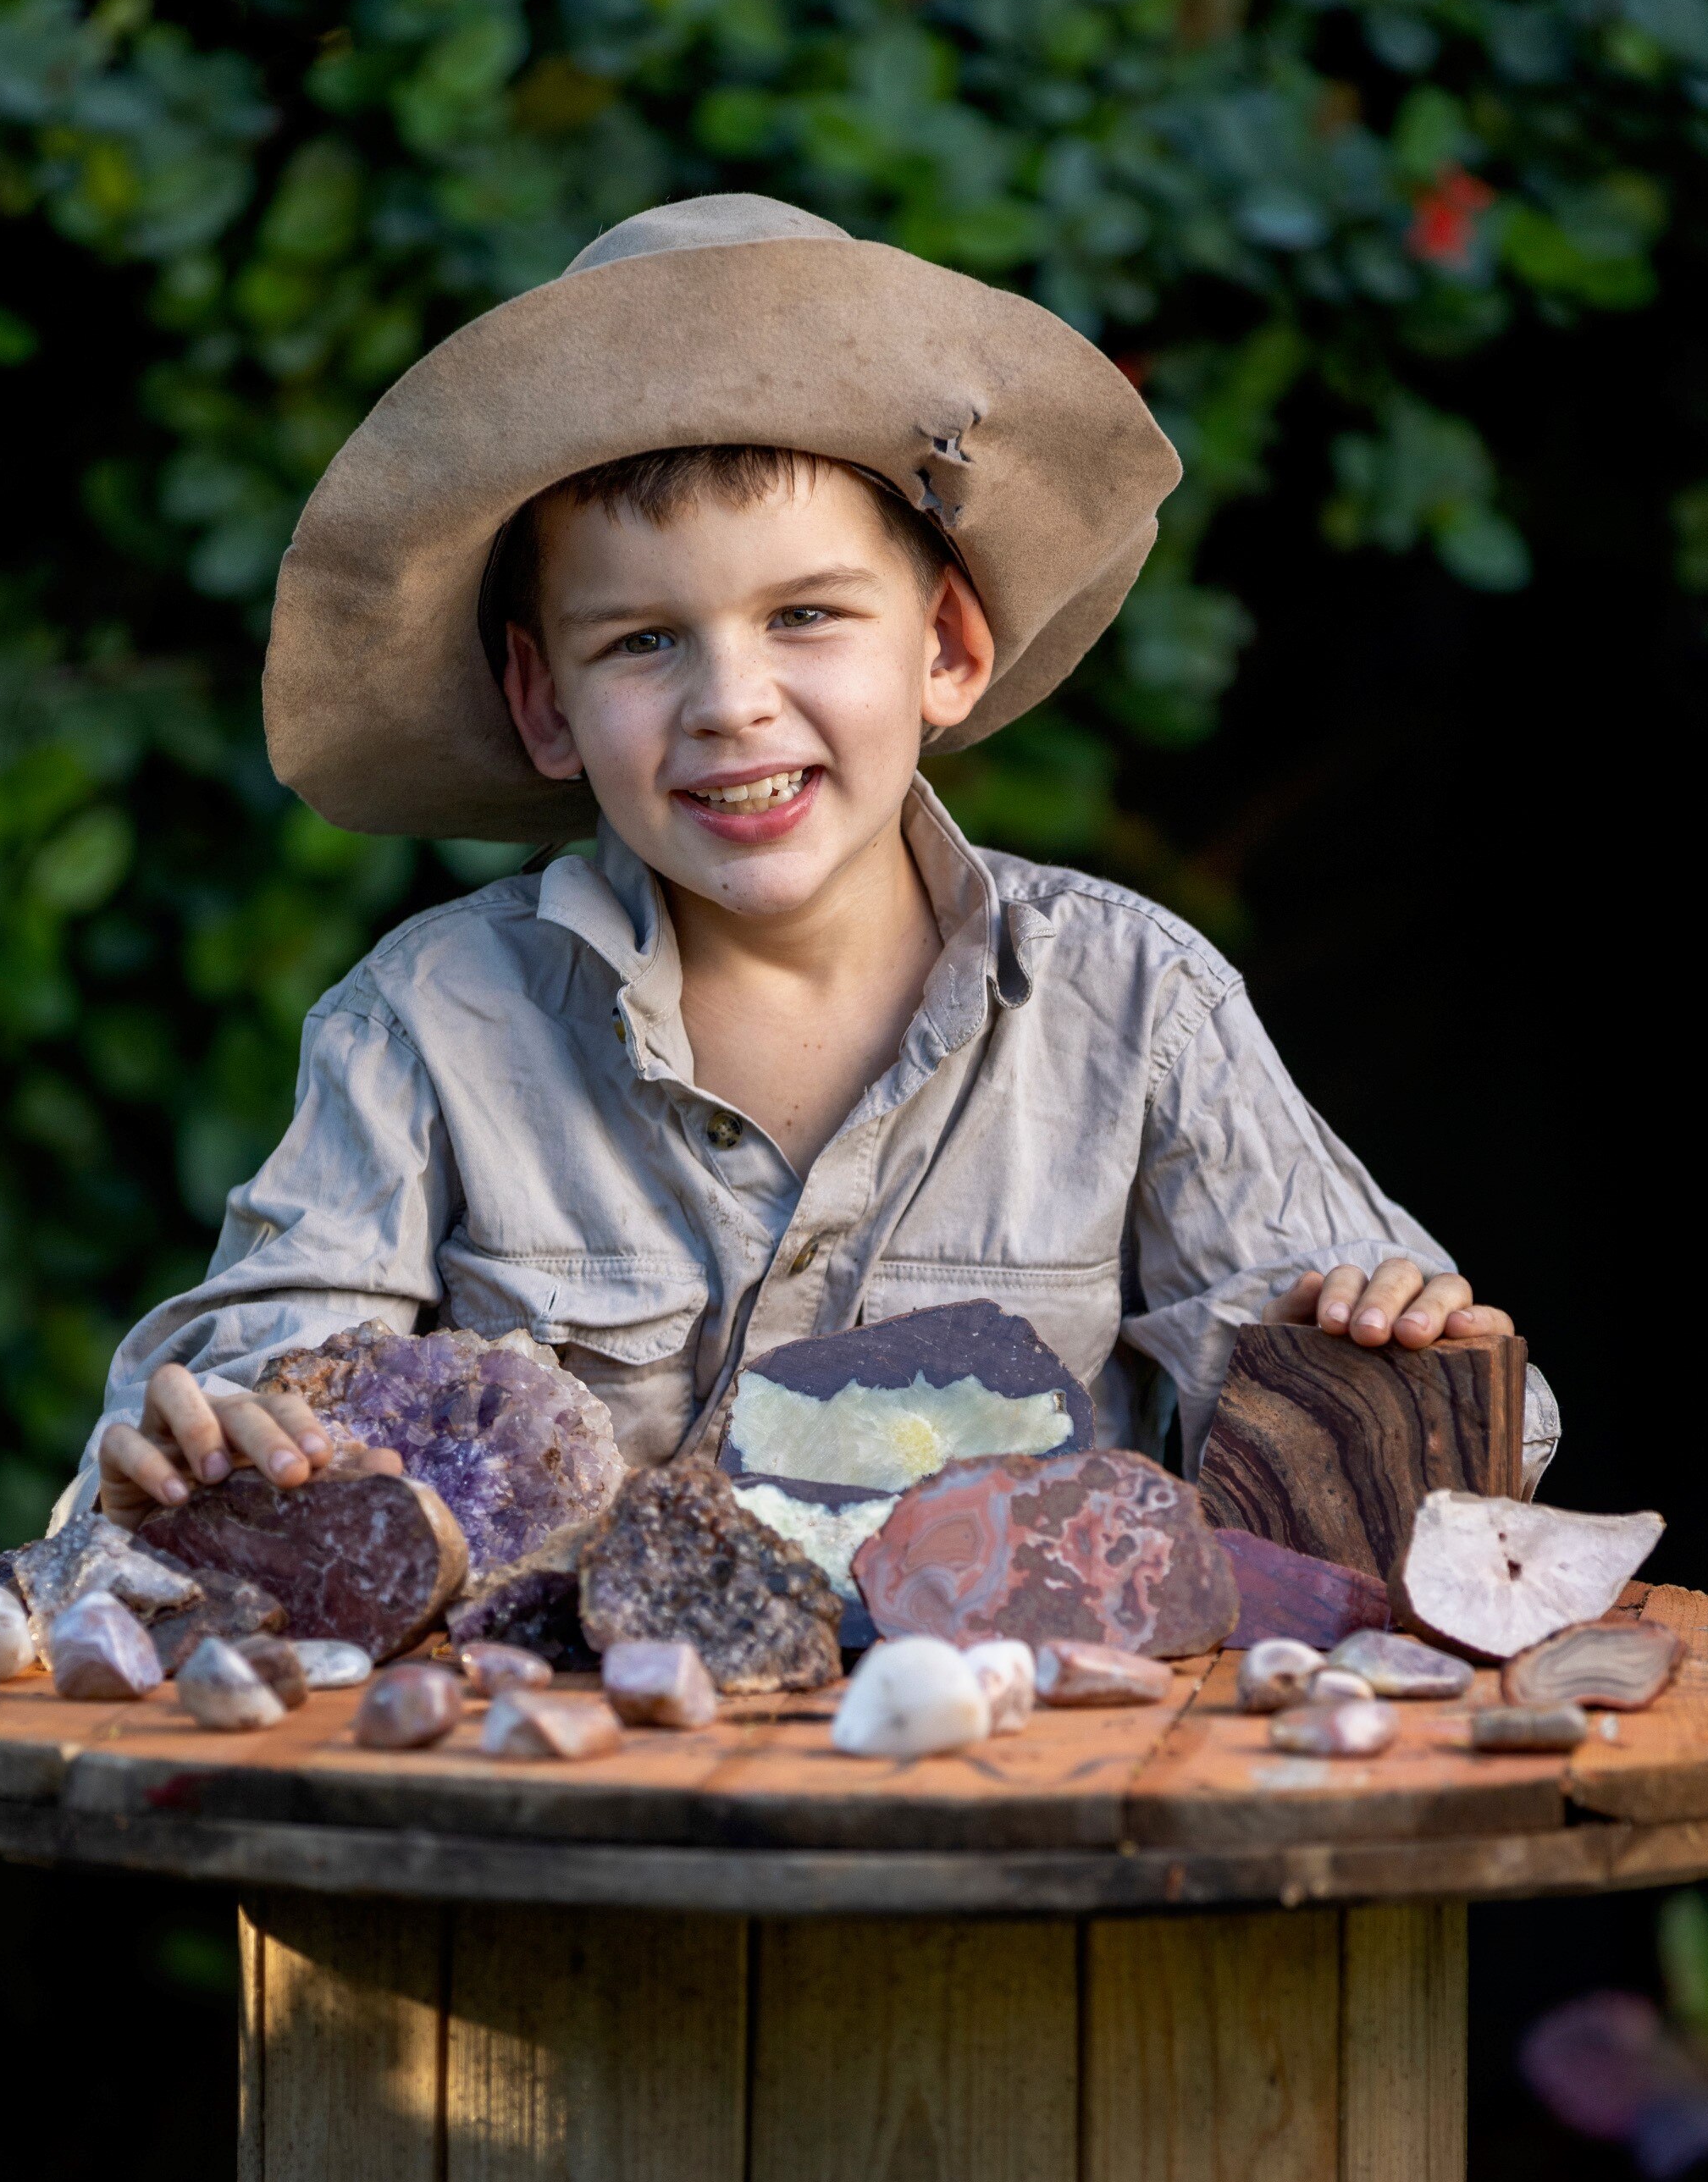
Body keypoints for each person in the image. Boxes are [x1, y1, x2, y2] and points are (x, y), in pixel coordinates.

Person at [76, 193, 1552, 1528]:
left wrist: (1397, 1349)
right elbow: (256, 1379)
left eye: (807, 617)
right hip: (570, 1799)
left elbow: (1444, 1454)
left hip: (1016, 1796)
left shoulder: (1133, 1005)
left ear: (950, 648)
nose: (731, 702)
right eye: (643, 641)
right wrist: (209, 1436)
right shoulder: (434, 1025)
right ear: (545, 704)